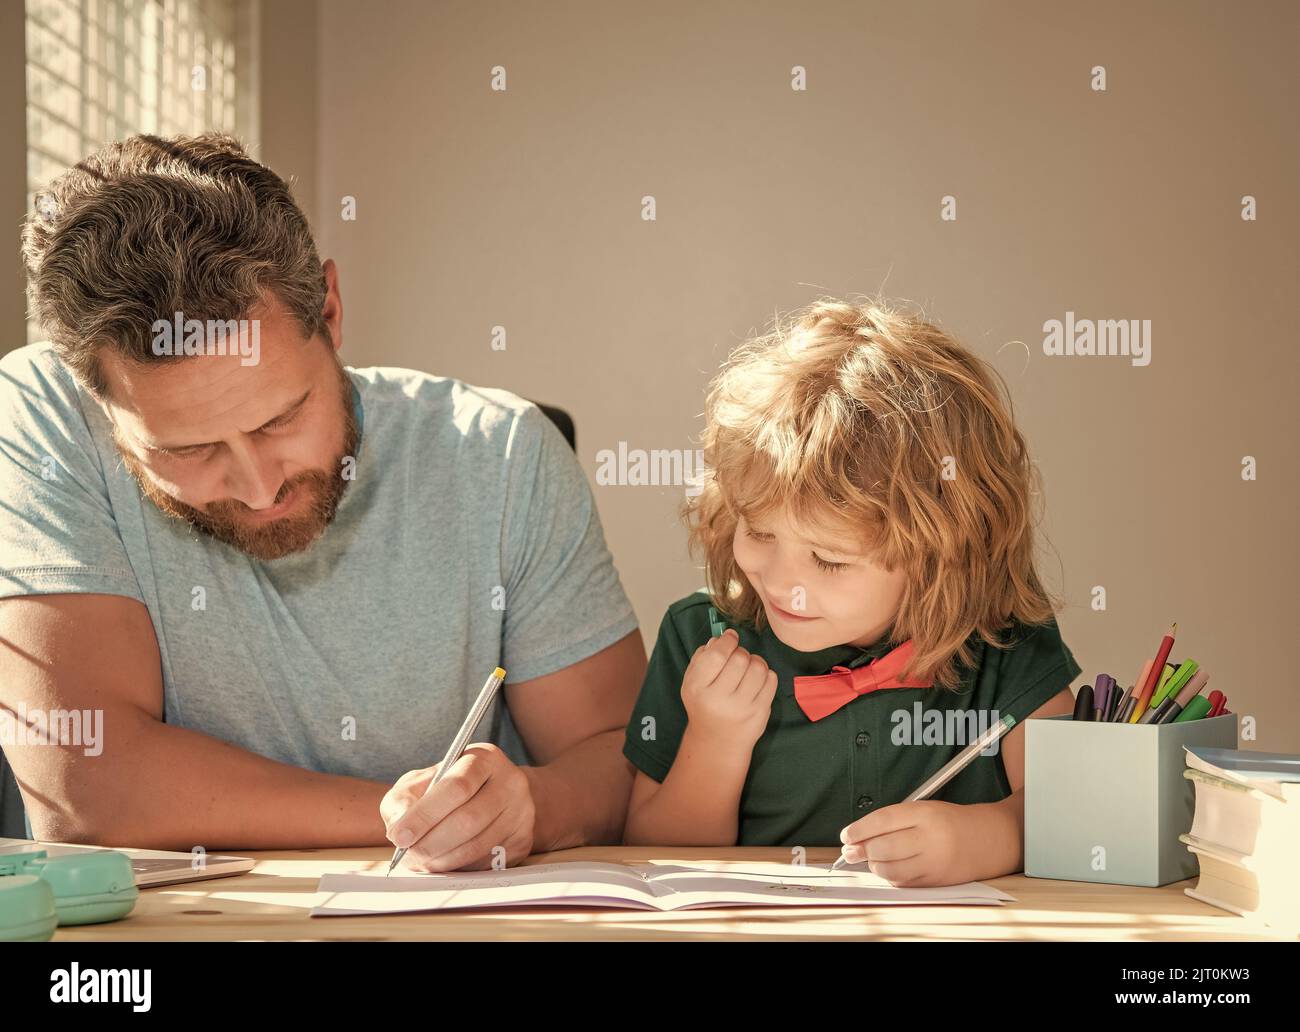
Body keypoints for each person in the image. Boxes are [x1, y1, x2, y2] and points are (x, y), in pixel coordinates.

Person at [0, 132, 645, 871]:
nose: (258, 485)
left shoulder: (504, 452)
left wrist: (532, 804)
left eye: (280, 419)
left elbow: (624, 761)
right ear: (99, 404)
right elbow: (85, 790)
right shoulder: (43, 411)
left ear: (331, 311)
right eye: (188, 451)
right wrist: (404, 823)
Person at [622, 297, 1080, 886]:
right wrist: (715, 740)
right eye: (759, 532)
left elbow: (1071, 809)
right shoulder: (698, 637)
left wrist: (992, 837)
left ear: (940, 558)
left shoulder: (1006, 640)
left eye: (830, 562)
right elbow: (652, 855)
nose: (786, 584)